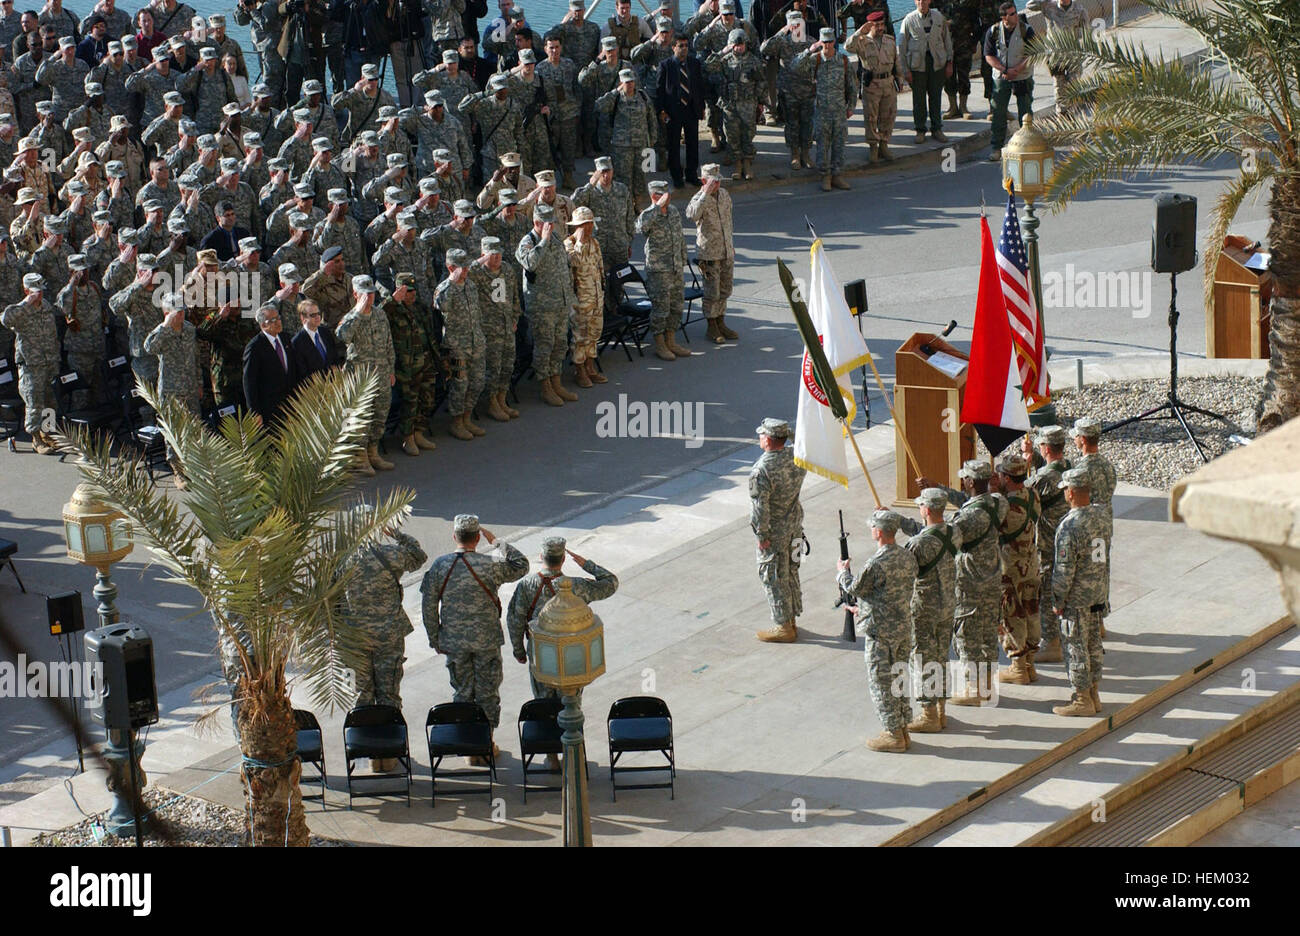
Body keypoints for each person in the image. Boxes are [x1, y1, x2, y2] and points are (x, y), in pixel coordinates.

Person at [420, 514, 529, 759]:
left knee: (462, 691)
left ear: (454, 537)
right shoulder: (489, 564)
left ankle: (467, 742)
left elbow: (428, 605)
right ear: (478, 538)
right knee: (488, 692)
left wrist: (435, 638)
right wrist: (497, 542)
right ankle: (484, 744)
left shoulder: (440, 566)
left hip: (454, 641)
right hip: (486, 640)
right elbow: (521, 565)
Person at [506, 537, 618, 757]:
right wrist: (586, 563)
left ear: (541, 557)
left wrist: (519, 650)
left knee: (544, 704)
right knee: (571, 704)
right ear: (564, 558)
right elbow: (610, 582)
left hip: (541, 653)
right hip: (572, 655)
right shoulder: (576, 586)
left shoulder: (528, 585)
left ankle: (551, 756)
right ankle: (573, 753)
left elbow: (514, 619)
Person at [339, 507, 427, 771]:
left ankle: (367, 752)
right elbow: (419, 556)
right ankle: (388, 755)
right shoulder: (391, 554)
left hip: (355, 639)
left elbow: (329, 602)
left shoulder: (341, 560)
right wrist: (396, 533)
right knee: (389, 694)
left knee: (361, 696)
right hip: (388, 635)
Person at [917, 459, 1007, 705]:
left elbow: (942, 535)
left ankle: (973, 687)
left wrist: (927, 512)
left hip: (970, 582)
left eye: (964, 479)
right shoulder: (998, 503)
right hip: (992, 577)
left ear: (969, 481)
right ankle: (987, 683)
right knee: (988, 631)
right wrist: (939, 490)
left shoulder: (966, 519)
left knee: (967, 635)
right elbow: (970, 502)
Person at [839, 509, 919, 752]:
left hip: (880, 632)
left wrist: (843, 572)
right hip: (902, 627)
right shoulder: (907, 557)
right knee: (899, 677)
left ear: (880, 532)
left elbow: (857, 588)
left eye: (873, 527)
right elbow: (888, 593)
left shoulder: (877, 563)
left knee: (881, 681)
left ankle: (893, 734)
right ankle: (902, 726)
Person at [899, 487, 958, 733]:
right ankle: (941, 709)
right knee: (941, 657)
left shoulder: (918, 544)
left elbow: (903, 573)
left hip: (924, 608)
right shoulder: (954, 533)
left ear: (926, 509)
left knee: (922, 659)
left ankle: (929, 713)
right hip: (947, 605)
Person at [1050, 468, 1107, 716]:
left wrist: (1057, 599)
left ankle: (1082, 699)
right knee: (1093, 643)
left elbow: (1064, 570)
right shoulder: (1101, 516)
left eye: (1064, 490)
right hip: (1097, 592)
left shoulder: (1070, 526)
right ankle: (1094, 693)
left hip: (1077, 596)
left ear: (1071, 493)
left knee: (1075, 645)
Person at [749, 418, 807, 643]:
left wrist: (762, 535)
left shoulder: (762, 469)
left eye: (762, 435)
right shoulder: (797, 458)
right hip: (794, 526)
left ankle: (783, 626)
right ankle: (792, 619)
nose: (759, 438)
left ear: (769, 440)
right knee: (791, 571)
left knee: (773, 576)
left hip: (774, 531)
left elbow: (760, 508)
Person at [335, 273, 396, 473]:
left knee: (380, 415)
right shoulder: (349, 318)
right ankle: (360, 457)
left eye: (371, 294)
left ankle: (373, 452)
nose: (369, 297)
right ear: (355, 294)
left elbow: (389, 344)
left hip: (382, 373)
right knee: (362, 418)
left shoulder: (380, 314)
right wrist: (359, 313)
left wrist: (391, 370)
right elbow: (342, 338)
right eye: (364, 294)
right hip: (360, 378)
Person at [991, 451, 1041, 684]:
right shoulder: (1033, 495)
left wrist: (991, 493)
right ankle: (1030, 663)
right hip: (1031, 564)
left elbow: (993, 523)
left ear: (1008, 478)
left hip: (1010, 570)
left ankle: (1018, 666)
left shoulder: (1003, 505)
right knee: (1031, 610)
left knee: (1012, 614)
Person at [791, 28, 856, 191]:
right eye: (824, 42)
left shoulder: (843, 61)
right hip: (822, 111)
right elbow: (794, 67)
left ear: (834, 41)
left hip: (839, 110)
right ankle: (825, 176)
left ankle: (837, 175)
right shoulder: (815, 59)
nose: (827, 45)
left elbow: (852, 86)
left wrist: (851, 107)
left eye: (829, 41)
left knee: (839, 144)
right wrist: (809, 50)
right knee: (822, 145)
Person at [1, 273, 59, 454]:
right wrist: (27, 302)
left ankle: (48, 433)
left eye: (41, 291)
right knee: (34, 402)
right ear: (26, 290)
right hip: (31, 365)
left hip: (48, 361)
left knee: (50, 401)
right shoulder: (20, 310)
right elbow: (5, 319)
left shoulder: (46, 307)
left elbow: (53, 334)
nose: (40, 295)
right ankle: (36, 439)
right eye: (35, 291)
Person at [1028, 424, 1071, 662]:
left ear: (1046, 448)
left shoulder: (1043, 477)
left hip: (1047, 544)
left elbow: (1026, 497)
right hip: (1066, 540)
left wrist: (1026, 464)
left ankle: (1051, 642)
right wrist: (1033, 458)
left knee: (1046, 591)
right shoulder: (1069, 467)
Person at [636, 179, 690, 362]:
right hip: (658, 270)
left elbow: (680, 237)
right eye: (663, 195)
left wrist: (683, 260)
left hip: (675, 267)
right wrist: (656, 208)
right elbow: (640, 228)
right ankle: (660, 344)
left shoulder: (673, 211)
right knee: (661, 308)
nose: (668, 198)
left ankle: (671, 340)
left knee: (676, 306)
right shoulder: (648, 215)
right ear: (654, 196)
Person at [467, 234, 520, 422]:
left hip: (507, 325)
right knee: (494, 367)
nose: (496, 258)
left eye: (498, 254)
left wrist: (515, 316)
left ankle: (502, 399)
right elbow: (466, 271)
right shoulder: (477, 273)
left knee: (507, 365)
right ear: (483, 254)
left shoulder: (507, 269)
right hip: (489, 328)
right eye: (492, 255)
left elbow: (514, 296)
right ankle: (492, 403)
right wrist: (480, 260)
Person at [685, 162, 738, 343]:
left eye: (718, 181)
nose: (717, 185)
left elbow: (728, 221)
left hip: (725, 250)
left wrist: (730, 244)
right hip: (709, 253)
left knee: (725, 289)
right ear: (704, 180)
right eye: (713, 182)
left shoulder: (724, 195)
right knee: (711, 291)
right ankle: (711, 326)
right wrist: (705, 193)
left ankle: (721, 321)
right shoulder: (699, 198)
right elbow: (691, 215)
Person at [1071, 417, 1115, 627]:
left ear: (1084, 439)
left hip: (1088, 527)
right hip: (1105, 525)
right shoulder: (1107, 465)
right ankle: (1100, 618)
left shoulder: (1081, 469)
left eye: (1077, 437)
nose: (1074, 441)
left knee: (1088, 572)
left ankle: (1094, 622)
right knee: (1102, 569)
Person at [703, 28, 762, 180]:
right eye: (736, 45)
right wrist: (723, 51)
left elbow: (762, 82)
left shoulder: (754, 61)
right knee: (732, 135)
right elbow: (707, 66)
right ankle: (737, 163)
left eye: (741, 44)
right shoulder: (724, 60)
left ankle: (747, 162)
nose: (739, 47)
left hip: (748, 104)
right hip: (730, 104)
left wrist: (759, 100)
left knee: (748, 134)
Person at [760, 10, 813, 171]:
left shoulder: (811, 42)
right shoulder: (782, 42)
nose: (797, 27)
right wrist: (782, 31)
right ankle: (795, 155)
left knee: (807, 124)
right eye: (793, 24)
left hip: (807, 90)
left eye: (799, 23)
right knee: (792, 125)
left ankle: (806, 154)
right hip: (788, 91)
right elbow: (764, 49)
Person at [845, 11, 901, 161]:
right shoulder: (862, 41)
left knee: (888, 116)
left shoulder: (890, 40)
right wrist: (859, 31)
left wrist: (899, 78)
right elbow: (847, 46)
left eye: (882, 24)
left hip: (888, 82)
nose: (880, 28)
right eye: (876, 25)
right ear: (870, 26)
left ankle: (884, 144)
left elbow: (896, 61)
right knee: (871, 118)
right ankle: (873, 147)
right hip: (872, 85)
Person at [982, 1, 1034, 161]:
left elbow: (1033, 53)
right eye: (1011, 14)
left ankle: (1029, 145)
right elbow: (989, 56)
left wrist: (1017, 69)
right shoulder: (994, 31)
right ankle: (997, 147)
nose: (1015, 16)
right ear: (1003, 17)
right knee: (998, 112)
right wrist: (1005, 70)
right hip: (1002, 77)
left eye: (1015, 12)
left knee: (1025, 112)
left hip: (1022, 76)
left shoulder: (1026, 29)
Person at [897, 0, 952, 144]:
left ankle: (937, 129)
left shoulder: (939, 17)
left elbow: (947, 40)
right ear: (915, 2)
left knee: (936, 97)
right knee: (919, 100)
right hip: (917, 66)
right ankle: (920, 130)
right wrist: (905, 70)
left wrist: (949, 63)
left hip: (937, 64)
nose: (922, 2)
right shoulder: (908, 20)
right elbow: (902, 47)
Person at [656, 33, 705, 188]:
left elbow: (698, 86)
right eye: (680, 46)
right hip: (673, 111)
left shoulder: (694, 63)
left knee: (692, 144)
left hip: (691, 109)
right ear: (673, 47)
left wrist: (701, 107)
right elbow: (659, 90)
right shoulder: (666, 65)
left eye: (686, 45)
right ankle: (677, 176)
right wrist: (661, 110)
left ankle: (691, 174)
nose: (684, 49)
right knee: (674, 145)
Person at [563, 205, 604, 389]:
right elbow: (575, 262)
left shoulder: (595, 243)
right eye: (585, 224)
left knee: (594, 332)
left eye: (590, 224)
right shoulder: (569, 245)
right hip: (580, 299)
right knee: (581, 336)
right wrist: (578, 243)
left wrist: (602, 290)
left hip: (596, 296)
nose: (589, 228)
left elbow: (600, 267)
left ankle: (590, 365)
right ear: (577, 226)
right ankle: (579, 370)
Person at [242, 303, 299, 430]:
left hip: (290, 405)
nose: (278, 322)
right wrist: (255, 412)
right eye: (273, 320)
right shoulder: (254, 347)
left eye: (278, 318)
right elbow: (249, 382)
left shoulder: (285, 339)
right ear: (263, 325)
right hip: (269, 409)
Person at [1024, 0, 1087, 110]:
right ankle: (1062, 114)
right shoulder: (1048, 6)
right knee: (1059, 85)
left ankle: (1074, 111)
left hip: (1073, 54)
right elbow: (1030, 5)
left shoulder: (1079, 9)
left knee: (1073, 84)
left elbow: (1087, 32)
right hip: (1055, 55)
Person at [289, 297, 341, 384]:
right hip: (314, 389)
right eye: (313, 315)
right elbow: (301, 372)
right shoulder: (296, 342)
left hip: (334, 385)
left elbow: (334, 357)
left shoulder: (325, 332)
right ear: (303, 318)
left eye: (318, 313)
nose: (317, 317)